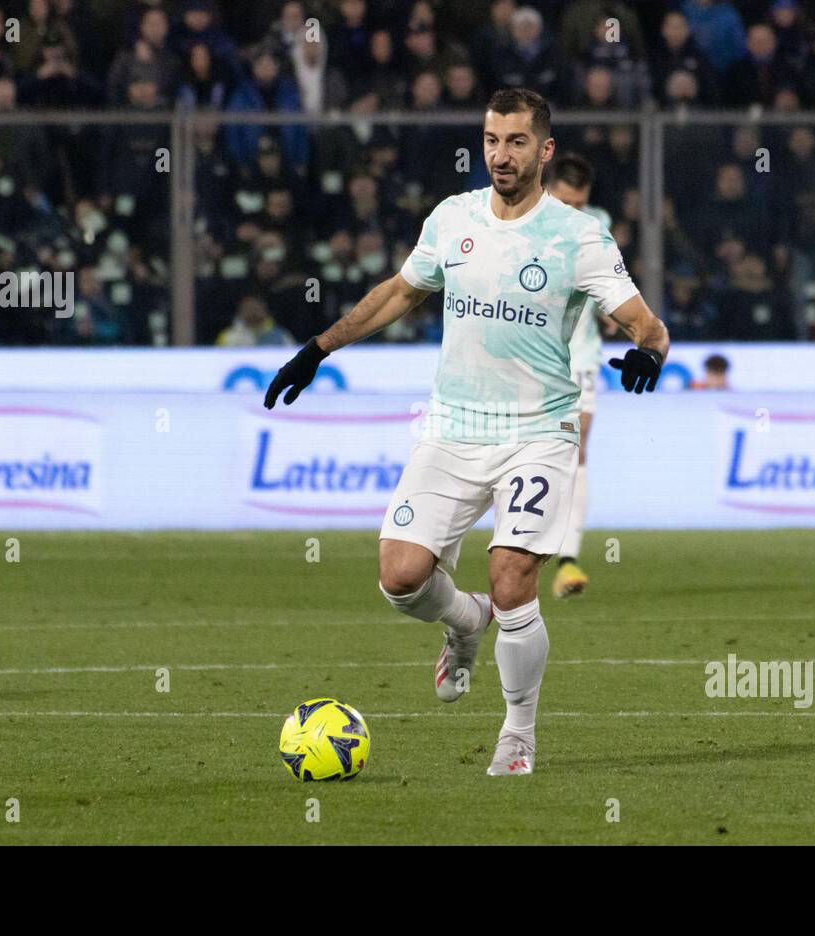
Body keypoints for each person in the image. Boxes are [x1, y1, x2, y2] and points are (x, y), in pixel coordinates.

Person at [264, 88, 669, 777]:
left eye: (515, 142)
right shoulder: (453, 218)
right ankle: (463, 620)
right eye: (490, 140)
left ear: (543, 149)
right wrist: (320, 346)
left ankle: (518, 734)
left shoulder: (577, 237)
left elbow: (645, 322)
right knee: (400, 579)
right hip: (452, 426)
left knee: (513, 579)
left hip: (538, 431)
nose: (500, 155)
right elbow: (400, 291)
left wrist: (649, 352)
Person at [545, 153, 609, 599]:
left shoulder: (596, 224)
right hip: (530, 356)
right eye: (566, 203)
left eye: (580, 204)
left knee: (577, 451)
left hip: (580, 355)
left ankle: (568, 560)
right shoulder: (523, 219)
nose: (574, 213)